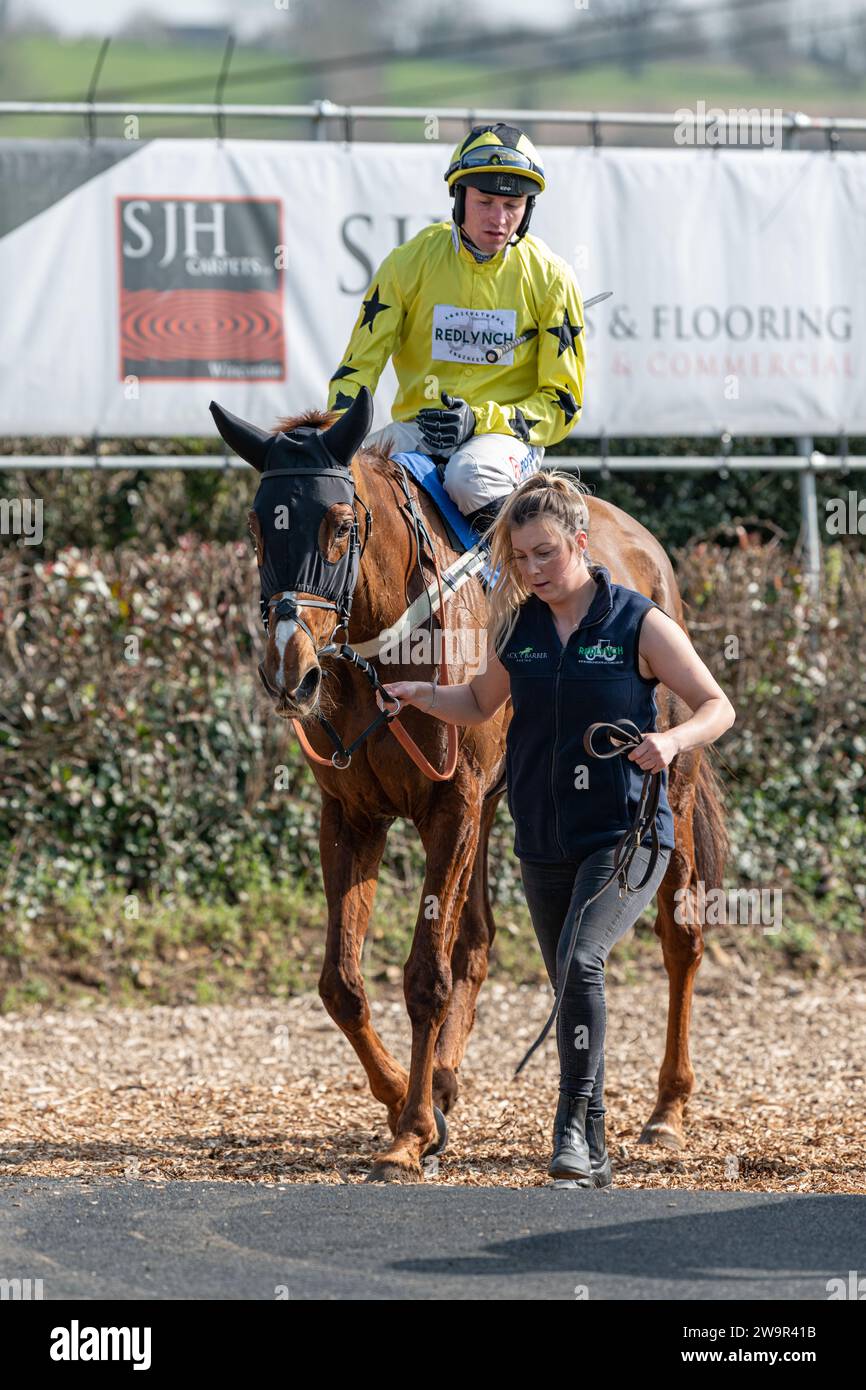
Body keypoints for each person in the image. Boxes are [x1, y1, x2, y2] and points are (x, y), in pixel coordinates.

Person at [381, 472, 736, 1186]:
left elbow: (715, 705)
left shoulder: (637, 622)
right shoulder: (520, 629)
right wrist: (421, 693)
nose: (532, 570)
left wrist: (671, 743)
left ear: (580, 542)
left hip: (627, 833)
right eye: (519, 558)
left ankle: (574, 1131)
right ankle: (595, 1146)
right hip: (542, 838)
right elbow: (481, 701)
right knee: (568, 983)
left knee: (580, 963)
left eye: (545, 554)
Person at [326, 123, 586, 535]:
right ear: (459, 197)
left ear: (528, 209)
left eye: (513, 205)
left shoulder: (553, 278)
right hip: (417, 429)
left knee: (470, 476)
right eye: (484, 202)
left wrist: (479, 420)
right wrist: (334, 437)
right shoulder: (407, 263)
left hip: (504, 441)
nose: (498, 220)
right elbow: (358, 369)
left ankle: (520, 591)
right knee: (343, 480)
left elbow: (562, 404)